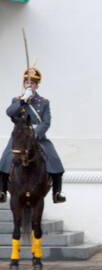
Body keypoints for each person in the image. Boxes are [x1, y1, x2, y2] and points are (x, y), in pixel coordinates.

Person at [0, 66, 66, 203]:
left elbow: (46, 122)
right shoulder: (17, 100)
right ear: (24, 84)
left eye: (33, 83)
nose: (30, 85)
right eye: (27, 82)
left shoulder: (44, 103)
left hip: (37, 137)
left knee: (54, 159)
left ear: (37, 85)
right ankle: (2, 190)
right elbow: (10, 112)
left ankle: (57, 192)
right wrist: (23, 100)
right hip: (19, 137)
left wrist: (35, 134)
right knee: (6, 158)